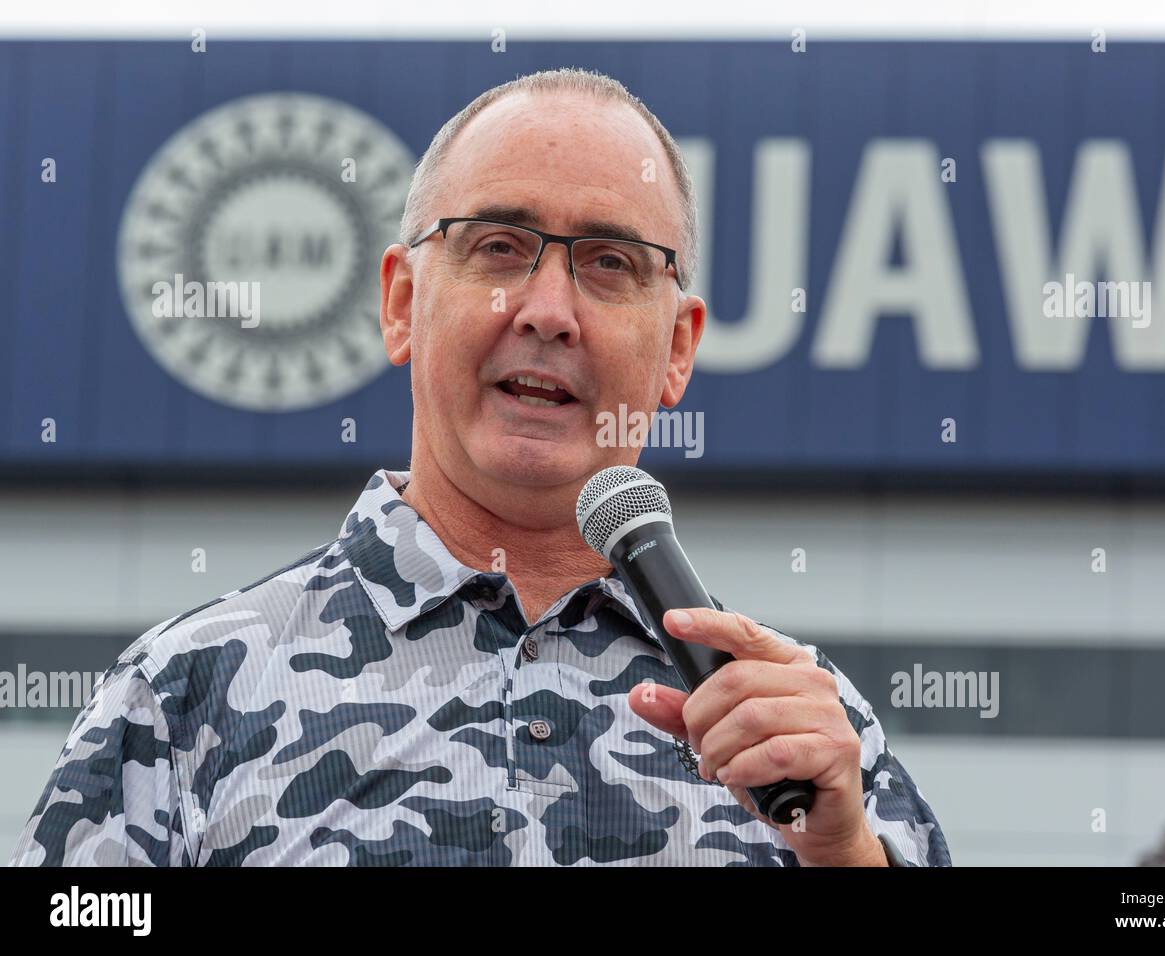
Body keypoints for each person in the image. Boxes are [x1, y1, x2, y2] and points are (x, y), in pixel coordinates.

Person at [10, 67, 949, 867]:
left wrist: (842, 856)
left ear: (677, 351)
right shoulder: (185, 693)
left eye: (610, 262)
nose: (548, 310)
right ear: (402, 303)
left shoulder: (799, 735)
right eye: (499, 246)